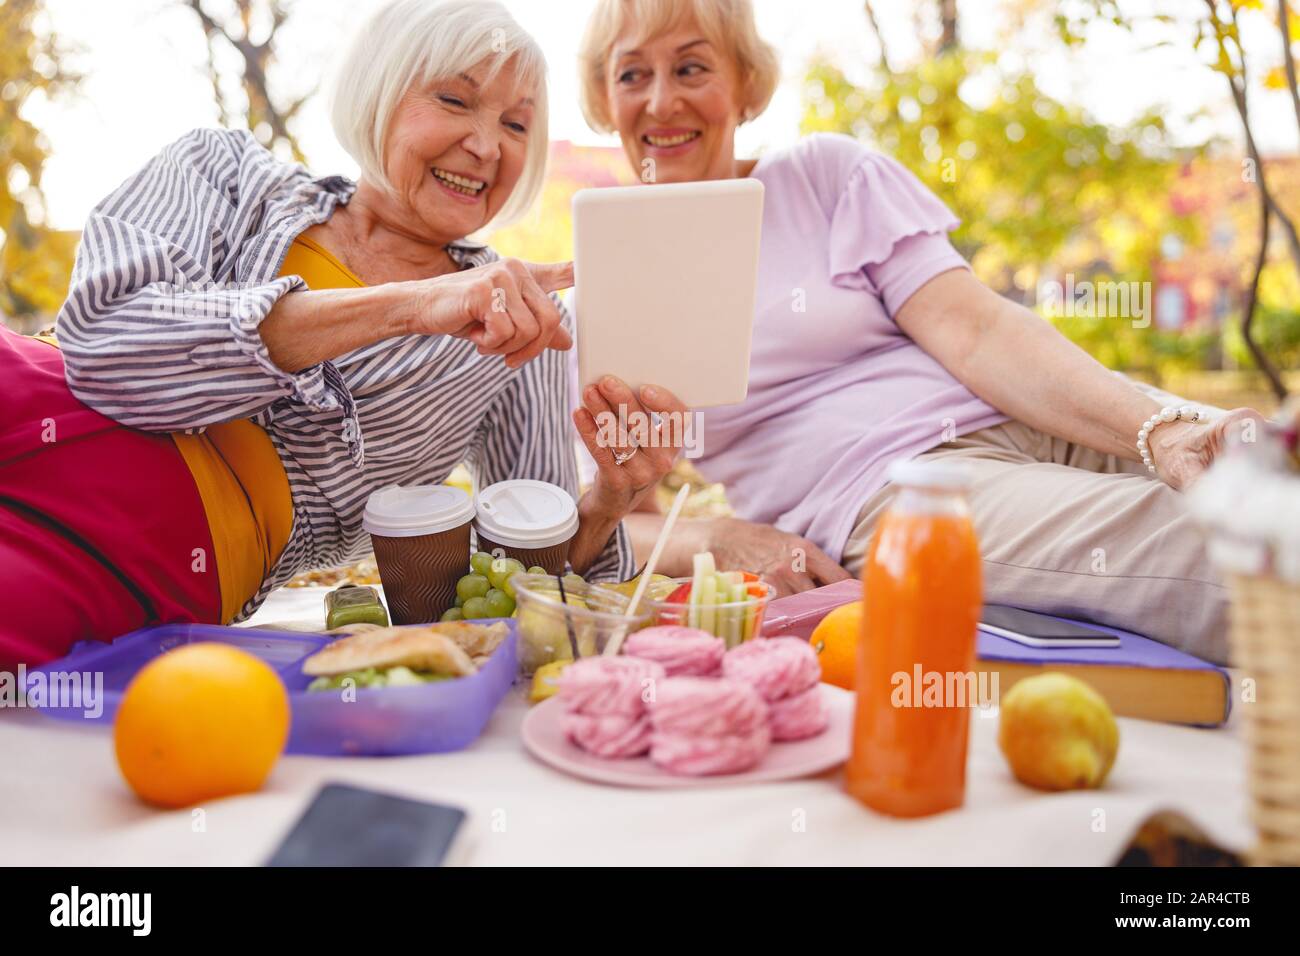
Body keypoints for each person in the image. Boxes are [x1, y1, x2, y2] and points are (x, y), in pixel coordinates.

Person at [0, 0, 681, 668]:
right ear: (378, 92)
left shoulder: (519, 330)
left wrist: (607, 501)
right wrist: (409, 304)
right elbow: (107, 346)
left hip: (145, 548)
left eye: (516, 124)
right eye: (453, 100)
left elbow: (523, 589)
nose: (485, 144)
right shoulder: (224, 171)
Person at [576, 0, 1261, 663]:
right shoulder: (613, 286)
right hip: (894, 492)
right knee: (1220, 540)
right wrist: (716, 534)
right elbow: (609, 520)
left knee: (1265, 463)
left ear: (745, 85)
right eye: (633, 73)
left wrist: (1162, 428)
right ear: (605, 98)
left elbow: (978, 330)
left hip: (1028, 413)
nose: (662, 101)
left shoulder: (825, 175)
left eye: (691, 68)